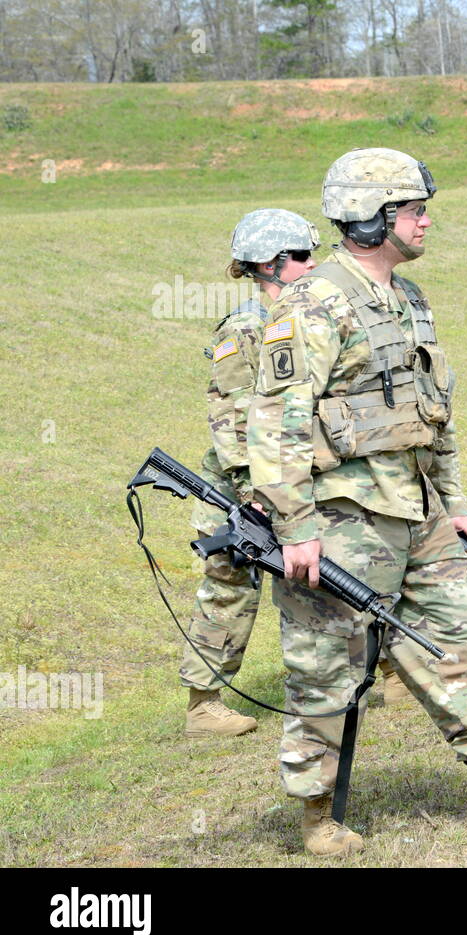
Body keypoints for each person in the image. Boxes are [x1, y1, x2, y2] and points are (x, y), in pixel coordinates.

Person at [248, 147, 467, 856]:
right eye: (413, 209)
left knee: (465, 637)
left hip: (417, 509)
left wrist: (452, 501)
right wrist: (295, 526)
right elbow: (275, 422)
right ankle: (315, 817)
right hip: (341, 519)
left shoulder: (408, 299)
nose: (425, 220)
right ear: (372, 218)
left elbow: (433, 409)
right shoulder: (313, 303)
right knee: (327, 667)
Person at [182, 209, 317, 737]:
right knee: (229, 590)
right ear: (269, 263)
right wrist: (253, 494)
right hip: (240, 492)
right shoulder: (243, 329)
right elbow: (233, 418)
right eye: (304, 256)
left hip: (289, 480)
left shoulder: (298, 318)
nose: (313, 265)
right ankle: (202, 704)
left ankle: (385, 670)